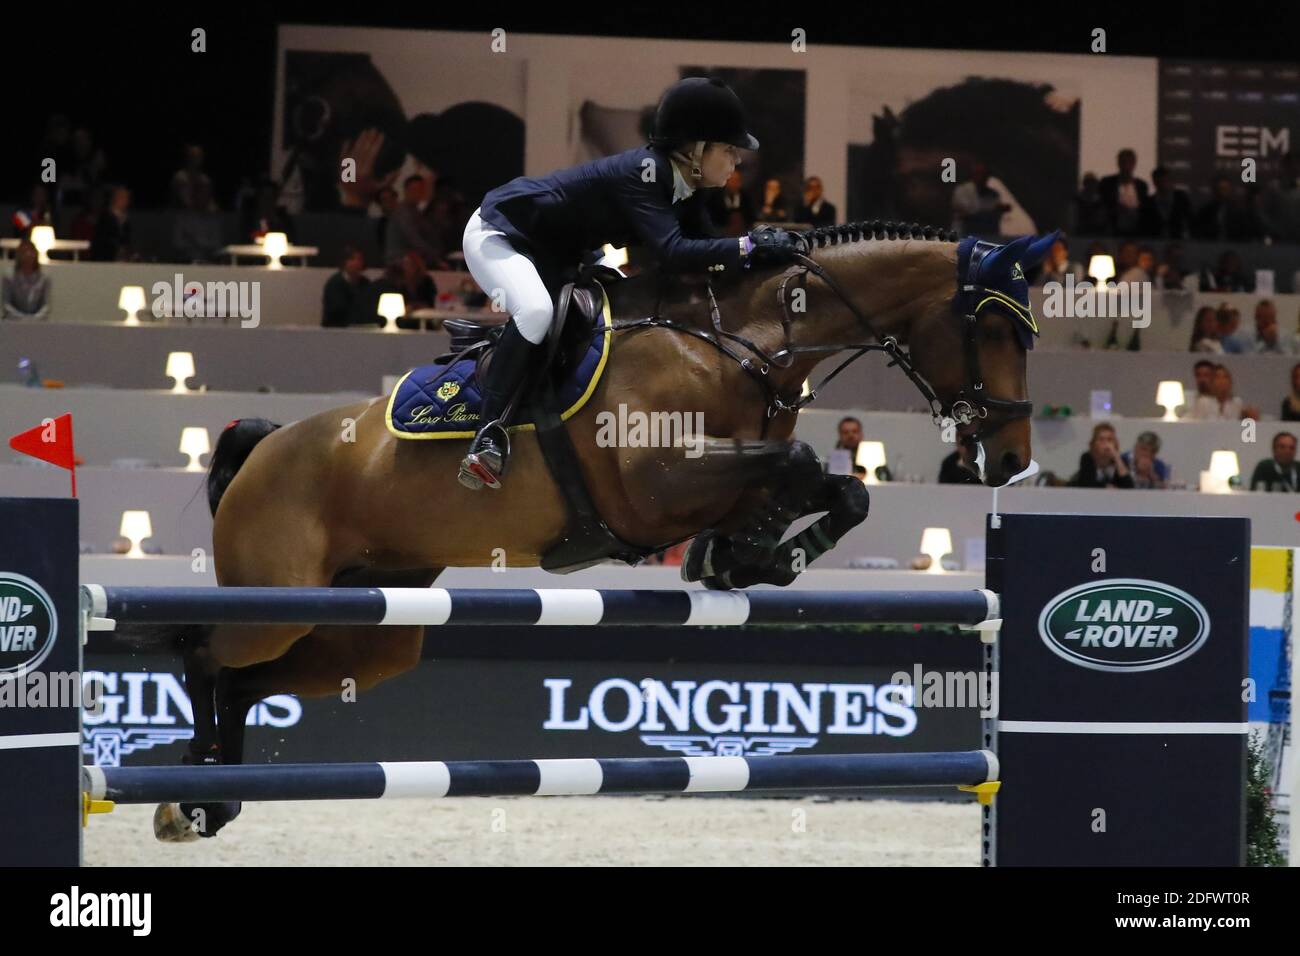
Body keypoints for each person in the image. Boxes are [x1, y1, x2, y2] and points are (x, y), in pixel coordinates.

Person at [459, 76, 797, 490]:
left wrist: (766, 254)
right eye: (728, 150)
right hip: (502, 235)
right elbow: (672, 251)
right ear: (694, 150)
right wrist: (747, 246)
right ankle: (488, 436)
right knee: (536, 311)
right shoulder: (645, 172)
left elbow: (708, 247)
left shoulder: (685, 185)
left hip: (559, 253)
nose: (736, 161)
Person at [1098, 149, 1149, 236]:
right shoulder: (1107, 183)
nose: (1125, 166)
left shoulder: (1141, 185)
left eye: (1128, 162)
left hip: (1137, 232)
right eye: (1123, 162)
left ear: (1134, 164)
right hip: (1113, 231)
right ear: (1118, 163)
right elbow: (1102, 205)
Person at [951, 162, 1010, 236]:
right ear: (973, 175)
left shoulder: (994, 194)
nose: (982, 177)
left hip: (988, 236)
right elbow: (964, 212)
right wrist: (992, 209)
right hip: (965, 234)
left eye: (984, 174)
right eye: (978, 173)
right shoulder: (962, 190)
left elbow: (997, 215)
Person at [1070, 423, 1134, 488]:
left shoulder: (1121, 461)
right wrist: (1105, 487)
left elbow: (1129, 487)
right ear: (1094, 443)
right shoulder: (1087, 457)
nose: (1106, 444)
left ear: (1115, 443)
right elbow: (1086, 483)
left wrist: (1117, 457)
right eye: (1101, 439)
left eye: (1110, 440)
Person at [321, 245, 371, 327]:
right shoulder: (335, 283)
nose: (356, 263)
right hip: (335, 329)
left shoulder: (365, 283)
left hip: (359, 328)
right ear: (344, 262)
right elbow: (336, 310)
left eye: (359, 259)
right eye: (352, 259)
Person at [2, 239, 51, 319]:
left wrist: (35, 318)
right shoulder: (9, 276)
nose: (28, 255)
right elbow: (6, 305)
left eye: (31, 251)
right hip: (13, 322)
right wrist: (22, 318)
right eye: (24, 251)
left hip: (38, 323)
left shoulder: (44, 277)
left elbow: (46, 306)